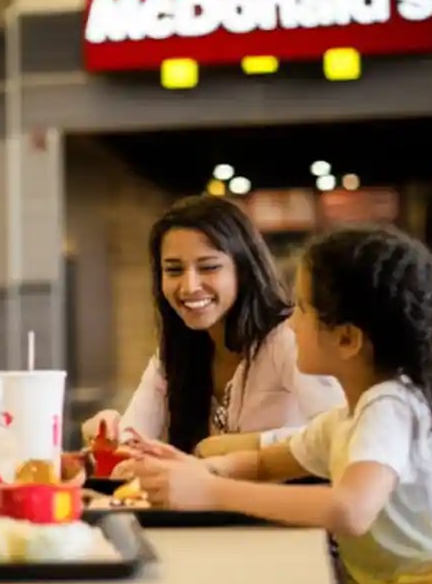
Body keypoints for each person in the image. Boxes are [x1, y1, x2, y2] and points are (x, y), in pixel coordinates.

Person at [130, 227, 432, 584]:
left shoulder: (391, 406)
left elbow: (350, 510)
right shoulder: (346, 419)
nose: (291, 323)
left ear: (346, 339)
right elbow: (263, 462)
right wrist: (198, 470)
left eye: (303, 309)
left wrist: (211, 492)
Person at [82, 195, 343, 458]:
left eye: (208, 267)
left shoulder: (286, 338)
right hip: (209, 500)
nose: (189, 286)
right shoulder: (173, 354)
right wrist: (111, 436)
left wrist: (238, 446)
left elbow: (340, 431)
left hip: (291, 498)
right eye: (173, 271)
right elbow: (132, 444)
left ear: (243, 269)